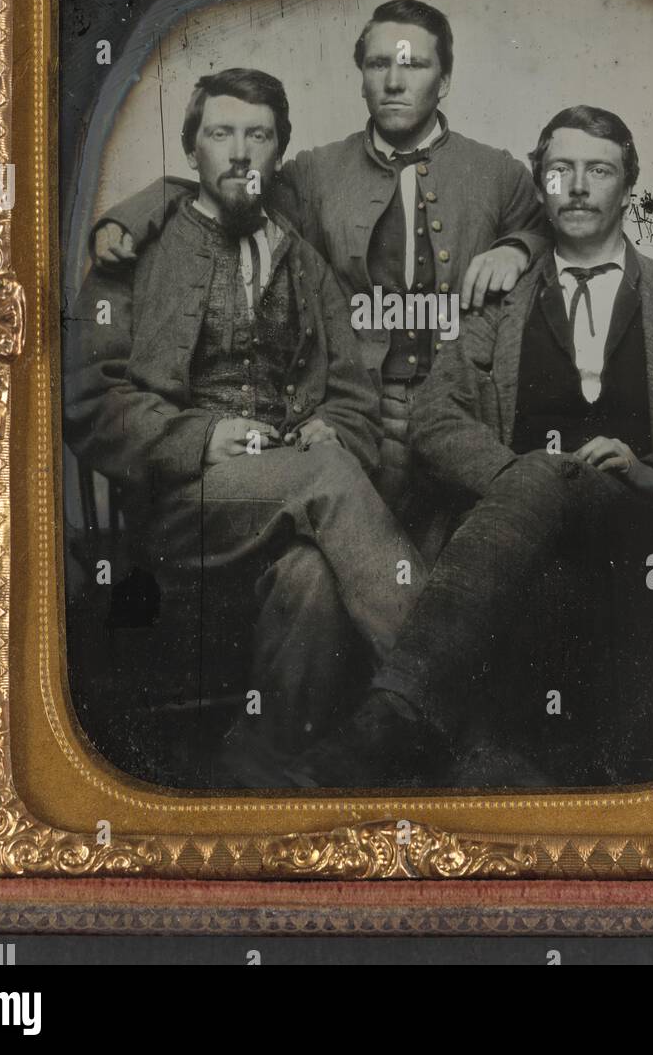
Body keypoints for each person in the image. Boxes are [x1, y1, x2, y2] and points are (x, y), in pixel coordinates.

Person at [289, 106, 653, 789]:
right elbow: (435, 415)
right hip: (515, 535)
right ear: (540, 183)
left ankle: (394, 717)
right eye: (561, 171)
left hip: (640, 520)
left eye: (599, 171)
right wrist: (523, 481)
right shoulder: (493, 300)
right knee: (542, 520)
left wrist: (648, 470)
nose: (579, 187)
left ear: (628, 186)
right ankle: (496, 759)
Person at [65, 68, 425, 785]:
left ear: (277, 151)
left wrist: (333, 428)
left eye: (257, 136)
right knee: (325, 482)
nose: (239, 152)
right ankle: (448, 703)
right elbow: (87, 400)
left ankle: (261, 756)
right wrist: (199, 439)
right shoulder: (134, 254)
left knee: (315, 574)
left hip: (294, 496)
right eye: (221, 133)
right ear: (192, 148)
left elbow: (351, 395)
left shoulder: (303, 263)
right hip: (180, 506)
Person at [89, 0, 551, 546]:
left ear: (444, 80)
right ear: (360, 79)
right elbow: (229, 188)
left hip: (464, 417)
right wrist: (135, 212)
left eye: (414, 66)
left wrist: (520, 246)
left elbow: (565, 234)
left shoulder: (497, 173)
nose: (395, 82)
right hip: (362, 418)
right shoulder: (312, 172)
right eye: (379, 64)